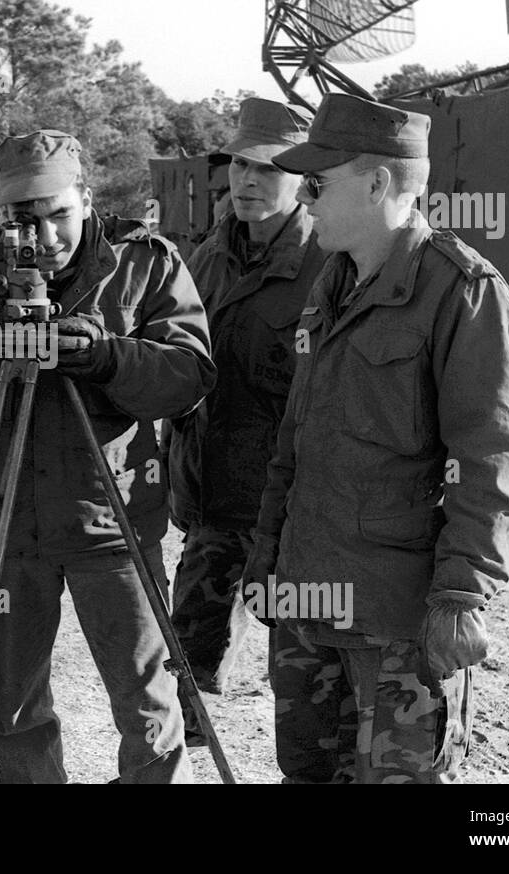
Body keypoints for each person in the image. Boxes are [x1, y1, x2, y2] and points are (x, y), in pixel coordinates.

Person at [0, 130, 216, 784]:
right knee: (13, 704)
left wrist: (105, 356)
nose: (47, 235)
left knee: (145, 702)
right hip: (11, 525)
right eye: (27, 218)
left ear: (87, 198)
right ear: (4, 217)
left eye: (60, 212)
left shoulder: (143, 264)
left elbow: (188, 379)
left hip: (110, 524)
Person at [249, 93, 509, 783]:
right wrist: (267, 557)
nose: (306, 200)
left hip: (397, 614)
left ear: (378, 183)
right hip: (308, 596)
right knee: (308, 773)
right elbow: (297, 438)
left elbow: (494, 457)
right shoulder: (332, 282)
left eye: (318, 184)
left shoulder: (463, 291)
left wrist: (464, 594)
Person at [165, 97, 322, 703]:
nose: (249, 181)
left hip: (285, 507)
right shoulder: (208, 253)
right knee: (185, 662)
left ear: (303, 179)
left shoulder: (327, 264)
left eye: (269, 169)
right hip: (211, 493)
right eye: (239, 166)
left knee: (306, 662)